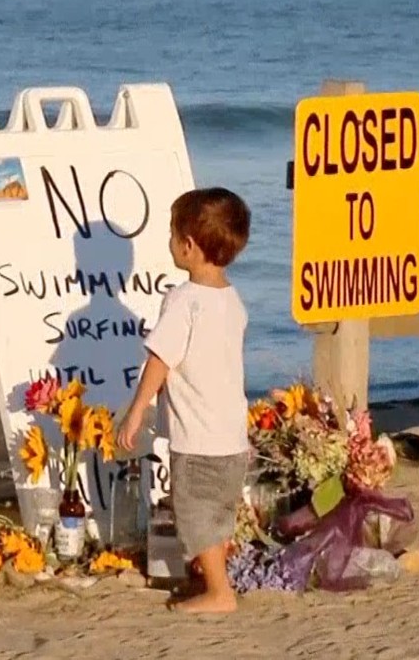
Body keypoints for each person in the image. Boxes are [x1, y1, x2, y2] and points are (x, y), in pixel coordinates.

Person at [116, 187, 251, 614]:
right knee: (218, 512)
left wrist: (137, 410)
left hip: (198, 436)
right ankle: (214, 580)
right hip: (232, 434)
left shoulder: (183, 301)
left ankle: (219, 592)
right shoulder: (232, 300)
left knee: (194, 513)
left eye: (172, 234)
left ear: (188, 246)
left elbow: (160, 359)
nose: (170, 242)